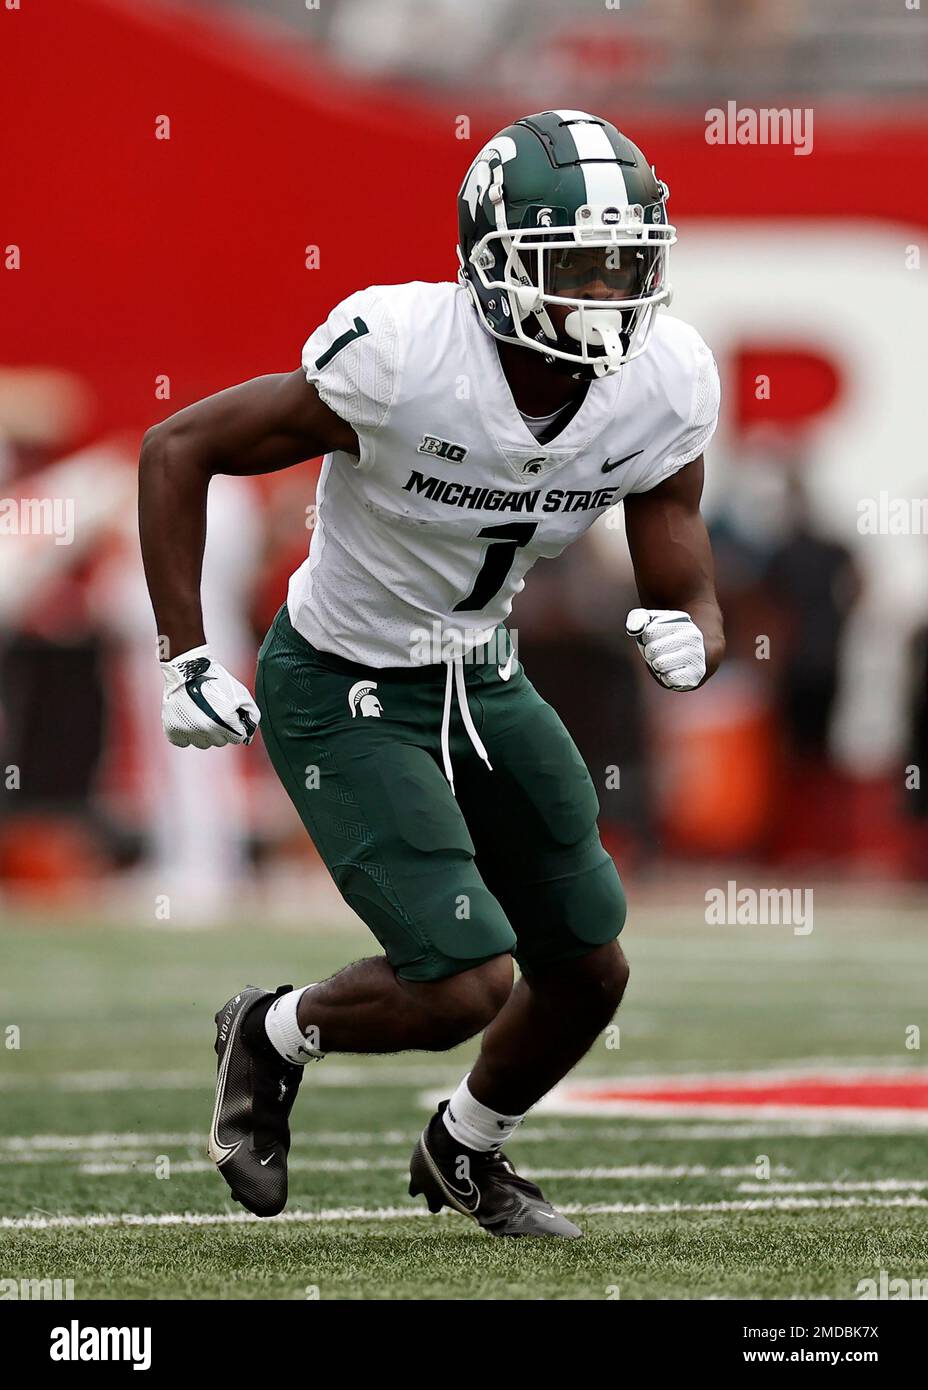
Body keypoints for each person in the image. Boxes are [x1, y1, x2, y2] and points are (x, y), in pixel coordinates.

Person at [138, 110, 724, 1238]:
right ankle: (269, 1029)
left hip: (482, 675)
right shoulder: (404, 353)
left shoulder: (662, 380)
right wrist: (185, 652)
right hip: (343, 676)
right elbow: (180, 447)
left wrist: (690, 616)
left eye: (627, 264)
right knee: (463, 981)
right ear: (494, 263)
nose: (610, 294)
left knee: (589, 968)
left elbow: (671, 522)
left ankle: (463, 1149)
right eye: (577, 268)